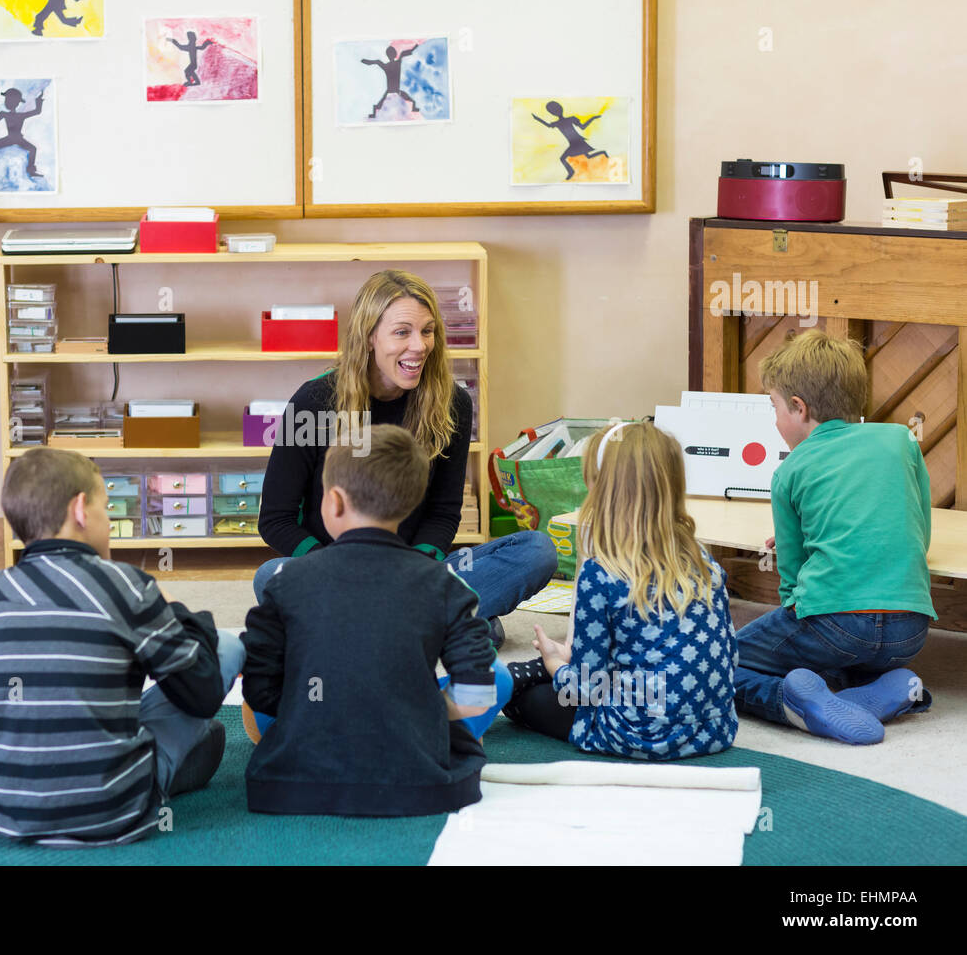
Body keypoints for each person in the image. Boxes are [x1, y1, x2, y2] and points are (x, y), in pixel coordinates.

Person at [0, 448, 245, 845]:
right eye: (107, 506)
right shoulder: (128, 584)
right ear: (81, 509)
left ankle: (1, 768)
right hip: (116, 810)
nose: (111, 519)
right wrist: (172, 609)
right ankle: (167, 766)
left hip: (5, 811)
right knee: (227, 647)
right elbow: (199, 694)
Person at [255, 269, 557, 648]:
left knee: (537, 550)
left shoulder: (453, 403)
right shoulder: (314, 402)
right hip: (333, 569)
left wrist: (410, 569)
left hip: (416, 572)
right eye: (402, 332)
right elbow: (276, 519)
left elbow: (443, 513)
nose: (419, 345)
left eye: (427, 331)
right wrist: (335, 563)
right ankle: (440, 623)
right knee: (270, 576)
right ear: (369, 337)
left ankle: (370, 624)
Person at [242, 425, 512, 816]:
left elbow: (259, 688)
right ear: (411, 503)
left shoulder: (287, 581)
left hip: (293, 783)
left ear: (333, 501)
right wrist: (425, 711)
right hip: (422, 786)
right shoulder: (443, 582)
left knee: (270, 682)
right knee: (498, 676)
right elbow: (475, 695)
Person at [733, 330, 935, 745]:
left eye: (773, 407)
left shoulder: (790, 469)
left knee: (711, 663)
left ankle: (791, 704)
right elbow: (919, 527)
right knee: (840, 653)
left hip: (836, 626)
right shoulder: (900, 441)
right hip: (910, 631)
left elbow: (792, 583)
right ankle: (878, 689)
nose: (774, 421)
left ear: (798, 408)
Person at [503, 421, 738, 759]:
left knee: (526, 700)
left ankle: (531, 672)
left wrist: (557, 667)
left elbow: (583, 689)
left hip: (638, 733)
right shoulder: (700, 556)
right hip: (714, 729)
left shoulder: (600, 571)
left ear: (596, 487)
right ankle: (537, 669)